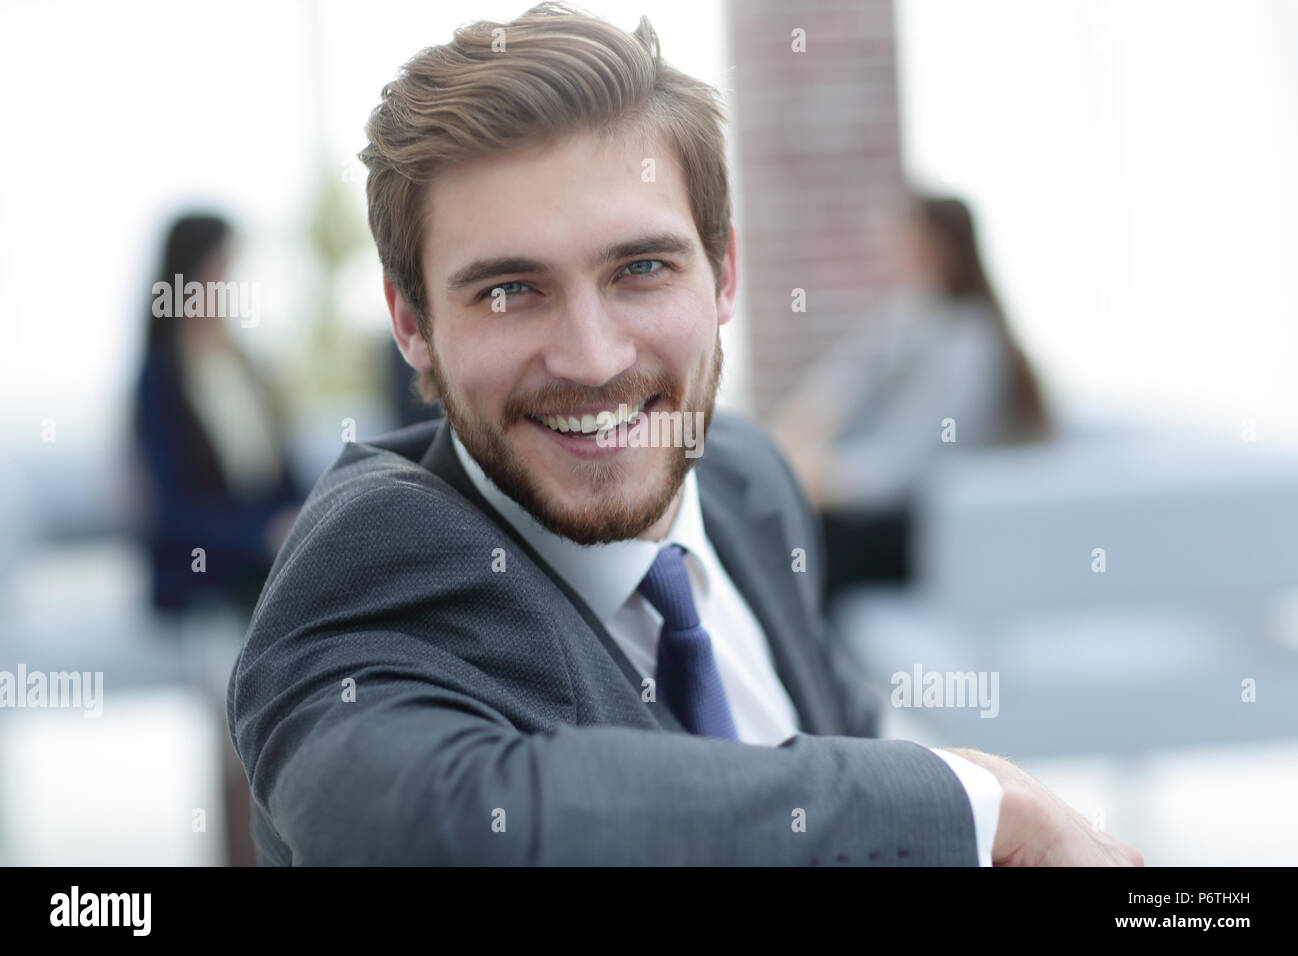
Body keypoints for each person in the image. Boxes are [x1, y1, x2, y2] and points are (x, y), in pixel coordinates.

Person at [226, 2, 1140, 867]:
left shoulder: (744, 480)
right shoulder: (373, 561)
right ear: (412, 321)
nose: (591, 358)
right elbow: (448, 827)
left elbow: (834, 748)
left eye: (643, 267)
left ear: (726, 271)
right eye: (510, 290)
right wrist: (965, 799)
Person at [773, 192, 1051, 603]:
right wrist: (793, 435)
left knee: (803, 547)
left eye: (904, 236)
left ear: (936, 247)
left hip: (925, 522)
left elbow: (916, 457)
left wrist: (827, 479)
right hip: (882, 504)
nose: (890, 247)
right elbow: (839, 384)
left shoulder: (969, 341)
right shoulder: (908, 316)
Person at [132, 213, 301, 616]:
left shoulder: (247, 368)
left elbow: (284, 480)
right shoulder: (159, 381)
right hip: (206, 580)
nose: (231, 284)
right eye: (221, 267)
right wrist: (262, 535)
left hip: (266, 567)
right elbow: (172, 516)